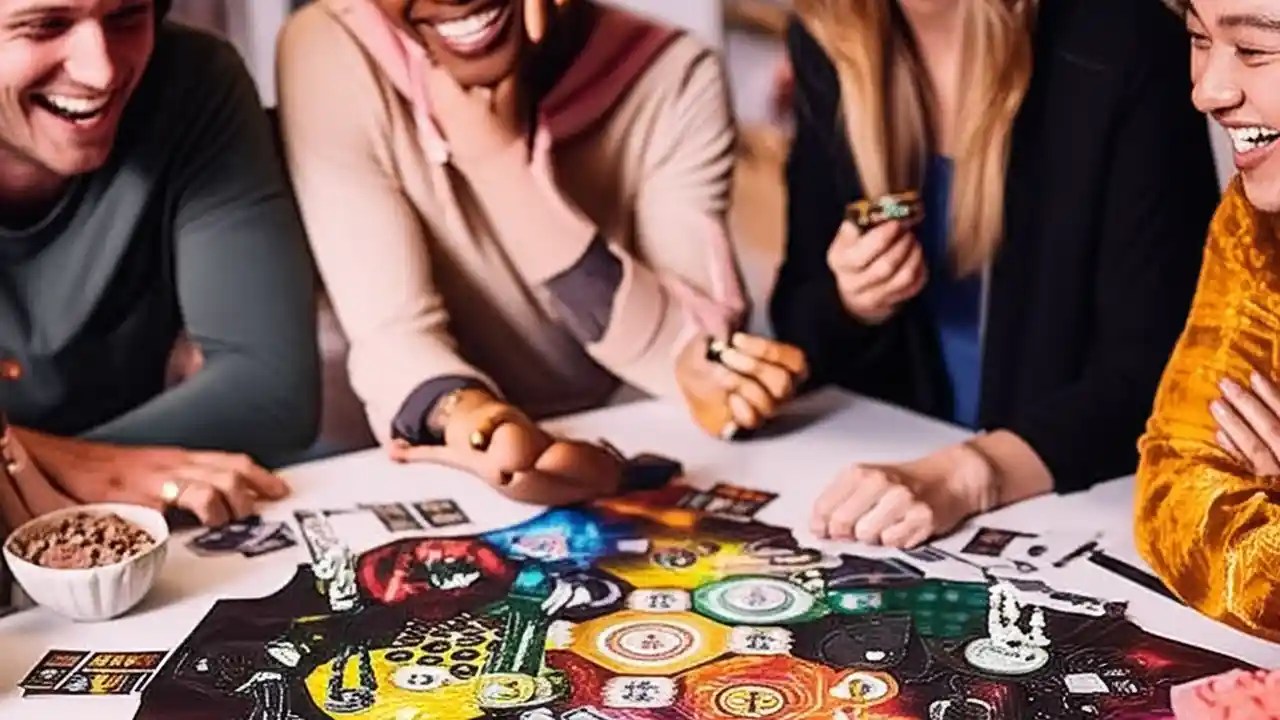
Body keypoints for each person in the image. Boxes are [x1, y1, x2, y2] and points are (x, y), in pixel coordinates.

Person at [276, 0, 808, 504]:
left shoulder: (673, 76)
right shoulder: (335, 48)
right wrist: (483, 426)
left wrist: (502, 167)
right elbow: (394, 336)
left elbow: (687, 358)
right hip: (399, 465)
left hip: (624, 446)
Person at [773, 0, 1220, 547]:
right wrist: (853, 303)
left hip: (1070, 505)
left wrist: (969, 474)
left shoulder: (1123, 42)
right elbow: (796, 324)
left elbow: (1161, 372)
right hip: (889, 499)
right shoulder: (827, 35)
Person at [0, 0, 320, 528]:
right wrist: (78, 466)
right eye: (45, 26)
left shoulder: (193, 83)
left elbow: (269, 389)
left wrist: (47, 465)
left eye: (126, 16)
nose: (100, 71)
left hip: (157, 497)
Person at [1135, 0, 1280, 643]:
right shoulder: (1253, 228)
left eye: (1254, 50)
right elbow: (1174, 480)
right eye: (1199, 39)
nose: (1207, 91)